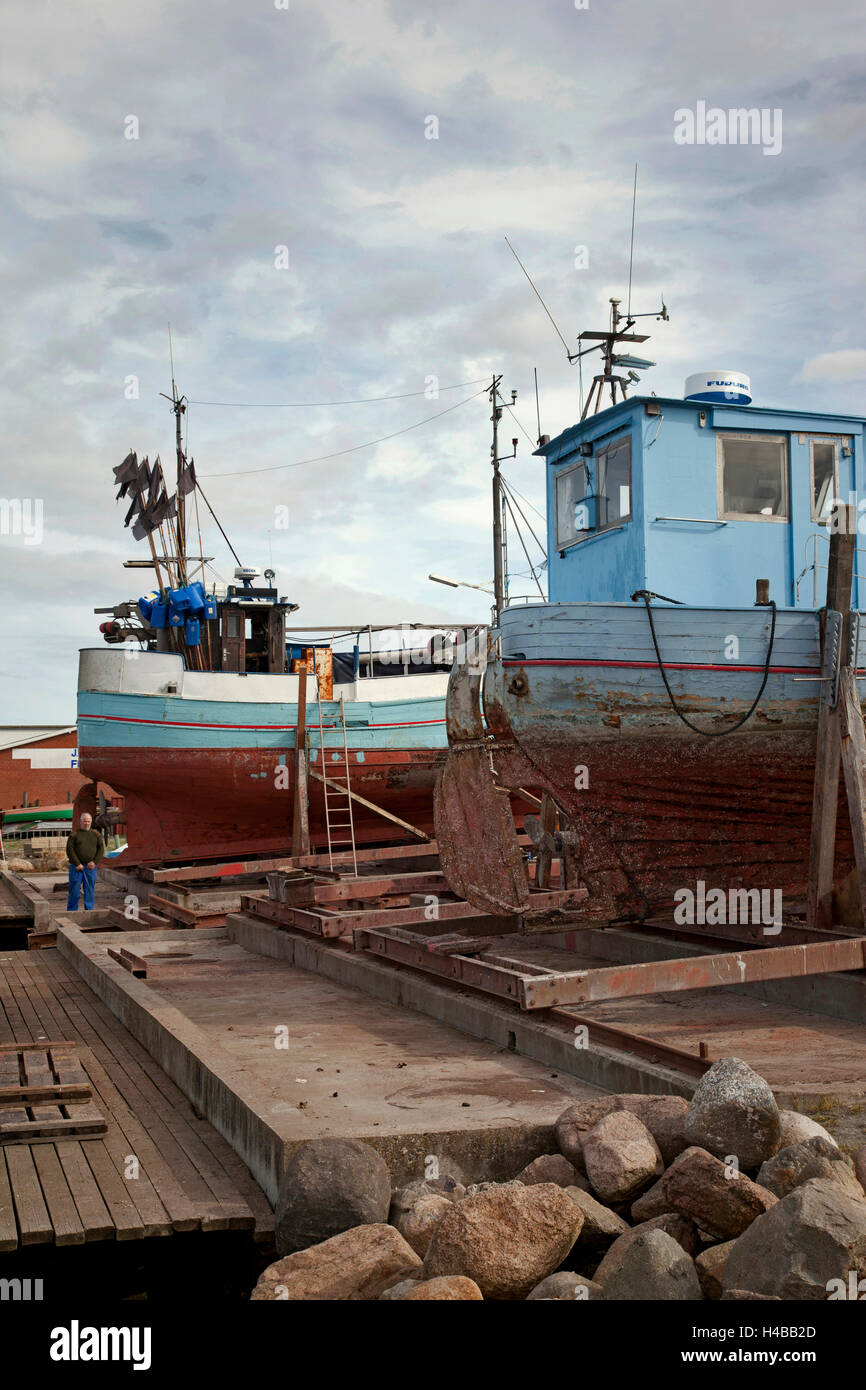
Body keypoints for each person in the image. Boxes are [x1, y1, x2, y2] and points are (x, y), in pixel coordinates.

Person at [66, 812, 106, 911]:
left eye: (88, 821)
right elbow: (69, 850)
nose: (86, 823)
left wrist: (94, 862)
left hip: (90, 867)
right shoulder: (74, 835)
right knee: (74, 891)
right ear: (80, 822)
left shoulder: (96, 835)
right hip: (76, 868)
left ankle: (89, 910)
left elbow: (101, 849)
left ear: (91, 822)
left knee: (89, 891)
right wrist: (77, 863)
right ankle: (72, 910)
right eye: (84, 821)